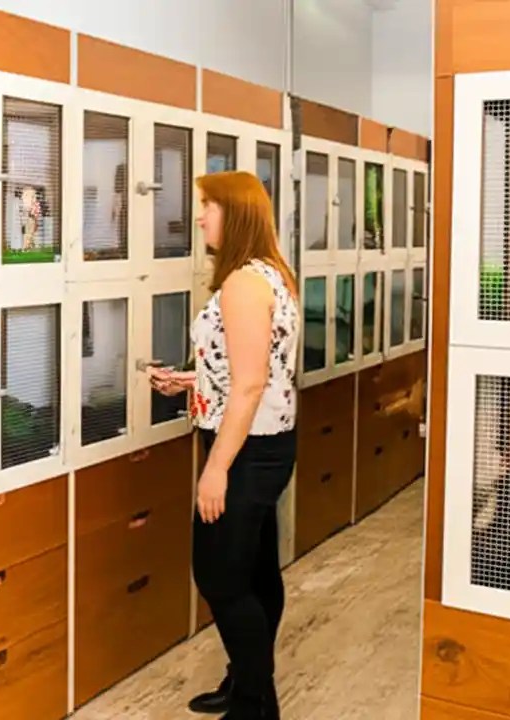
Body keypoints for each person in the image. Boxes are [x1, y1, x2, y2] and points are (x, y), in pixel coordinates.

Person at [150, 170, 299, 719]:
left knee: (219, 576)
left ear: (234, 214)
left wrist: (216, 470)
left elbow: (252, 384)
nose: (200, 215)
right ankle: (246, 685)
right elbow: (249, 370)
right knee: (255, 572)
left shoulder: (243, 283)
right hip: (266, 442)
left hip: (244, 452)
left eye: (208, 205)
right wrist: (190, 381)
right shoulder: (269, 273)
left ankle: (256, 705)